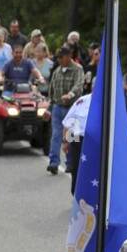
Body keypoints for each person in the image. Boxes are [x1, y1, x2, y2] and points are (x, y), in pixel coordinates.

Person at [46, 47, 84, 175]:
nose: (58, 60)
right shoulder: (57, 71)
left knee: (72, 136)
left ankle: (71, 163)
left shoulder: (78, 69)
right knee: (56, 135)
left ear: (68, 56)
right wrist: (48, 108)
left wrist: (71, 94)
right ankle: (53, 163)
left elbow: (79, 85)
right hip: (58, 107)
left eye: (60, 58)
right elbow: (51, 89)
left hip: (72, 108)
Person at [63, 90, 91, 196]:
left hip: (95, 142)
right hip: (77, 138)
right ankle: (76, 196)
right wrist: (65, 141)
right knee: (75, 169)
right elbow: (69, 121)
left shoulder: (109, 103)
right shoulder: (82, 101)